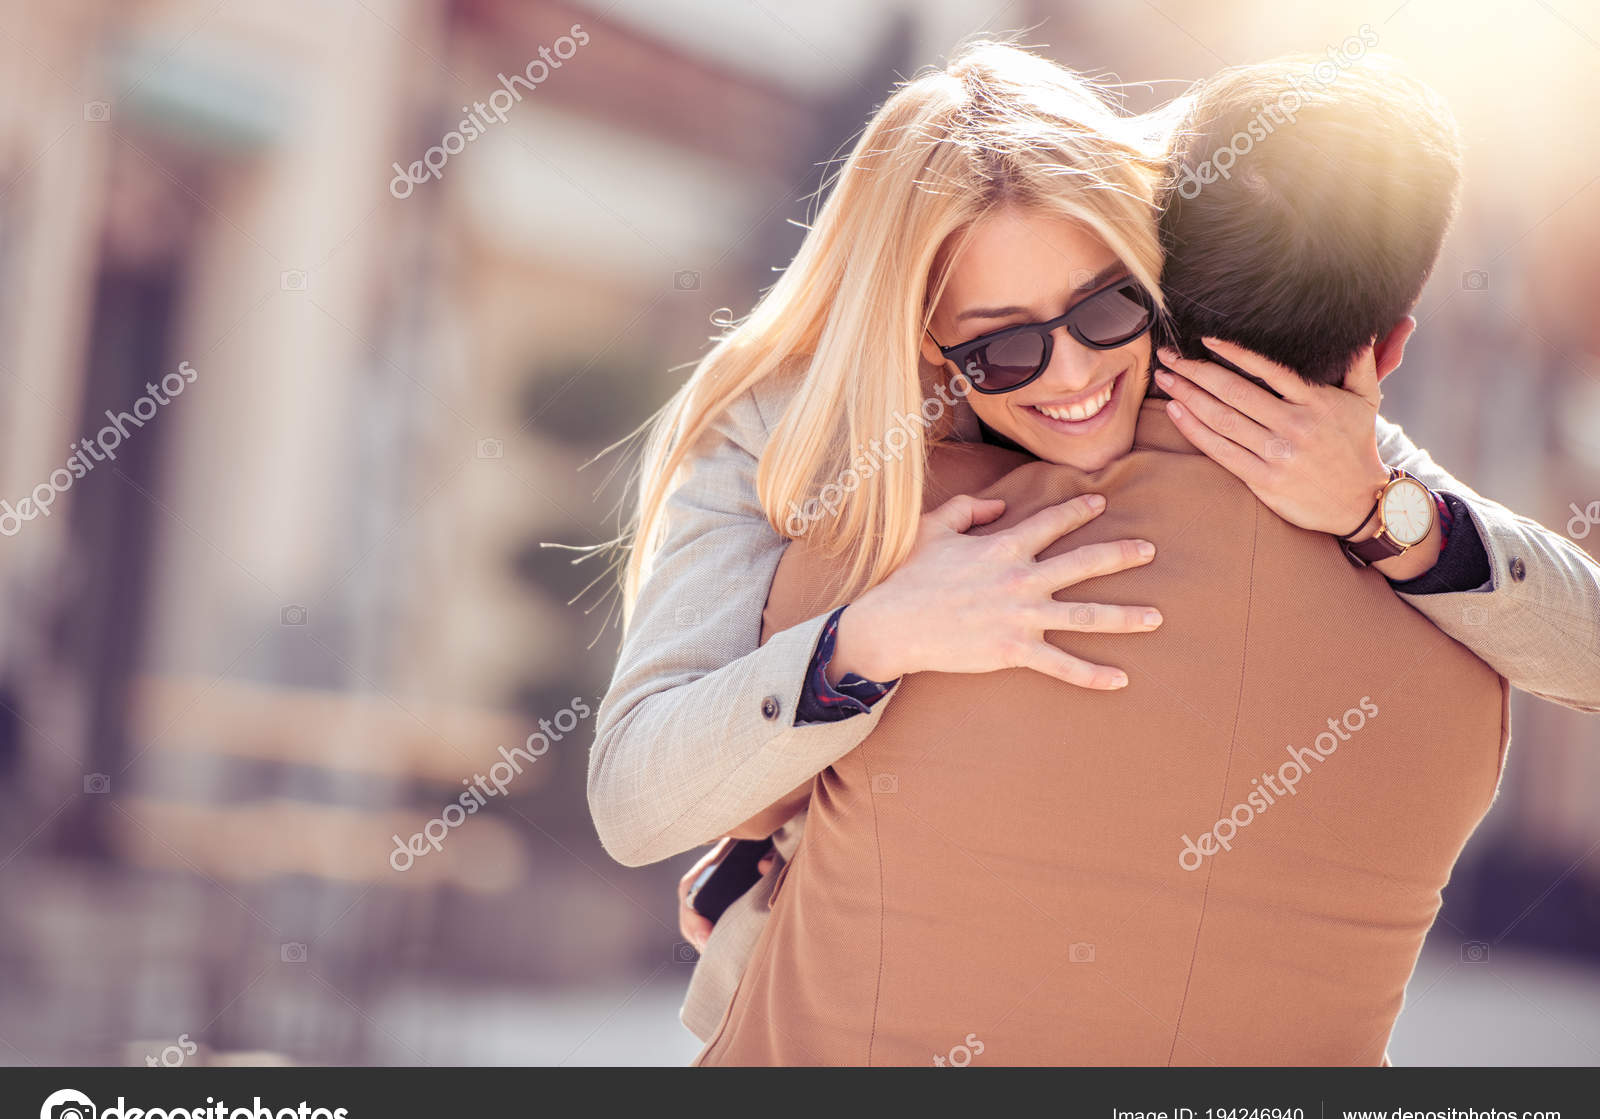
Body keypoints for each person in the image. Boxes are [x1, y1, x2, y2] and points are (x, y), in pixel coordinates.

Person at [582, 45, 1600, 1042]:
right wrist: (867, 646)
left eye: (1108, 306)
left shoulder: (1234, 397)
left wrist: (1382, 509)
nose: (1070, 375)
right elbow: (636, 800)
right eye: (1000, 344)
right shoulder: (788, 435)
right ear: (924, 340)